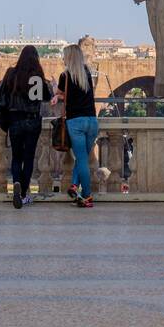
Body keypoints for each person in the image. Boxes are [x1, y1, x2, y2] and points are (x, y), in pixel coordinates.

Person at [0, 45, 52, 209]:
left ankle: (16, 182)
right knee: (28, 158)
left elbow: (1, 94)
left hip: (15, 120)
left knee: (16, 156)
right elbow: (47, 97)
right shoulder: (37, 77)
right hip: (33, 120)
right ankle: (23, 194)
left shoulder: (11, 74)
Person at [54, 43, 99, 208]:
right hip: (92, 121)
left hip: (76, 122)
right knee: (82, 159)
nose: (63, 58)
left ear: (69, 57)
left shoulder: (64, 76)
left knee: (81, 160)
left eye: (64, 55)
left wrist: (55, 93)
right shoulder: (86, 73)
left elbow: (60, 94)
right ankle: (74, 185)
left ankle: (87, 196)